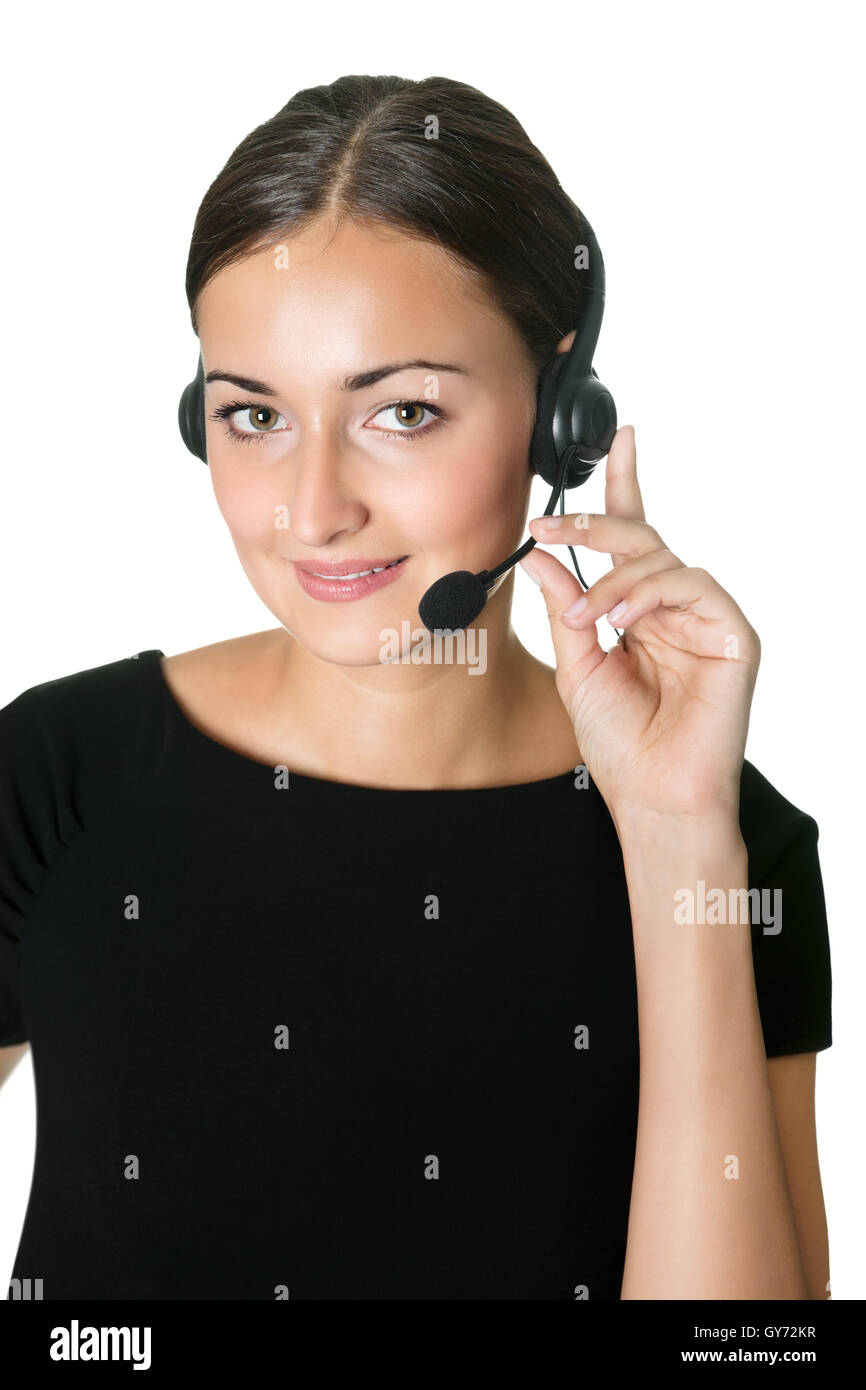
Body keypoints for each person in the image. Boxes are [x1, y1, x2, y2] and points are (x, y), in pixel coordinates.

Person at [0, 74, 831, 1301]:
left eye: (401, 410)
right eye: (252, 415)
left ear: (560, 420)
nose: (315, 510)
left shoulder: (725, 835)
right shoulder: (58, 778)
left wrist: (670, 840)